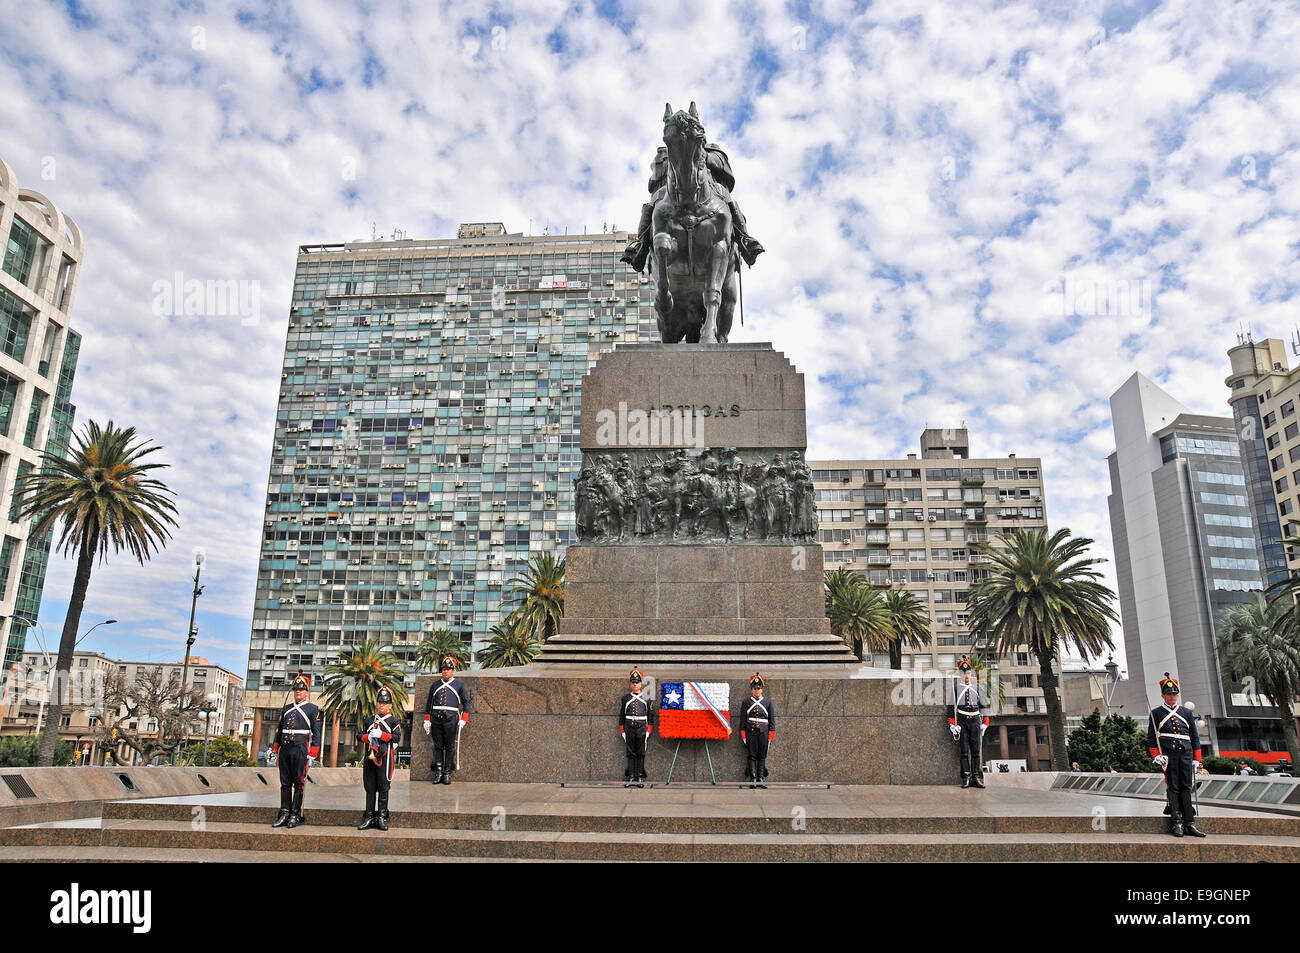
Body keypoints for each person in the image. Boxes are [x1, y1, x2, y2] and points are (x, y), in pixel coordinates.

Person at [1146, 673, 1206, 838]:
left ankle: (1190, 823)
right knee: (1173, 787)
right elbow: (1151, 738)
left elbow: (1195, 737)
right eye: (1169, 694)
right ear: (1163, 695)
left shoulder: (1186, 712)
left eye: (1174, 694)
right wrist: (1157, 756)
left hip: (1186, 754)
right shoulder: (1156, 713)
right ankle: (1176, 822)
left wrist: (1197, 759)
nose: (1172, 696)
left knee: (1186, 787)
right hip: (1168, 755)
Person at [271, 671, 322, 829]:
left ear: (306, 692)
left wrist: (313, 752)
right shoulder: (286, 708)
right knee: (285, 783)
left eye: (301, 690)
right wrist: (275, 747)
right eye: (295, 690)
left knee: (299, 783)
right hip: (286, 749)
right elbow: (280, 730)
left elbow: (317, 732)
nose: (298, 692)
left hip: (301, 749)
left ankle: (295, 814)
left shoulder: (313, 709)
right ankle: (284, 812)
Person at [358, 685, 402, 831]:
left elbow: (396, 737)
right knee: (370, 787)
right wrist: (368, 736)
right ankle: (369, 816)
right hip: (370, 759)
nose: (381, 705)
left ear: (390, 705)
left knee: (383, 787)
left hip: (385, 759)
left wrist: (382, 735)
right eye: (379, 703)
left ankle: (381, 816)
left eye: (384, 703)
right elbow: (359, 735)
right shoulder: (369, 720)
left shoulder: (394, 721)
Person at [423, 656, 470, 785]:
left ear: (453, 671)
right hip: (436, 719)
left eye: (448, 669)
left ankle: (447, 773)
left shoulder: (459, 684)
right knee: (438, 746)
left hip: (451, 720)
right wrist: (427, 720)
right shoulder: (435, 685)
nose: (445, 672)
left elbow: (466, 703)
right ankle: (438, 773)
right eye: (444, 669)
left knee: (449, 747)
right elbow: (429, 704)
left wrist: (464, 719)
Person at [946, 656, 989, 789]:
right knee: (964, 751)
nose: (966, 676)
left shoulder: (977, 688)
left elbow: (984, 706)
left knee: (976, 751)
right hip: (962, 722)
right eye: (963, 673)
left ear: (971, 674)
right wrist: (952, 725)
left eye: (968, 673)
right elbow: (950, 709)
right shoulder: (955, 689)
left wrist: (985, 723)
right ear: (960, 674)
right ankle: (966, 777)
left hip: (975, 721)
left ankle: (976, 777)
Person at [618, 668, 655, 786]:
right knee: (630, 752)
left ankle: (639, 775)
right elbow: (622, 716)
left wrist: (648, 731)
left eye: (637, 682)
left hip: (641, 728)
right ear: (630, 684)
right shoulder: (625, 698)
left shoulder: (647, 698)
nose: (635, 685)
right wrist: (622, 730)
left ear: (641, 684)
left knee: (640, 752)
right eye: (633, 682)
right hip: (629, 728)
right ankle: (631, 776)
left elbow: (650, 716)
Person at [740, 672, 775, 788]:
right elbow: (742, 721)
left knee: (762, 755)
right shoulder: (746, 702)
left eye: (759, 688)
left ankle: (761, 778)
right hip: (751, 732)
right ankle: (753, 779)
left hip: (763, 733)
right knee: (752, 755)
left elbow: (772, 721)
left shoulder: (768, 702)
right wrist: (743, 735)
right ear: (751, 690)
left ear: (762, 690)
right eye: (755, 688)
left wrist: (770, 736)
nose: (756, 691)